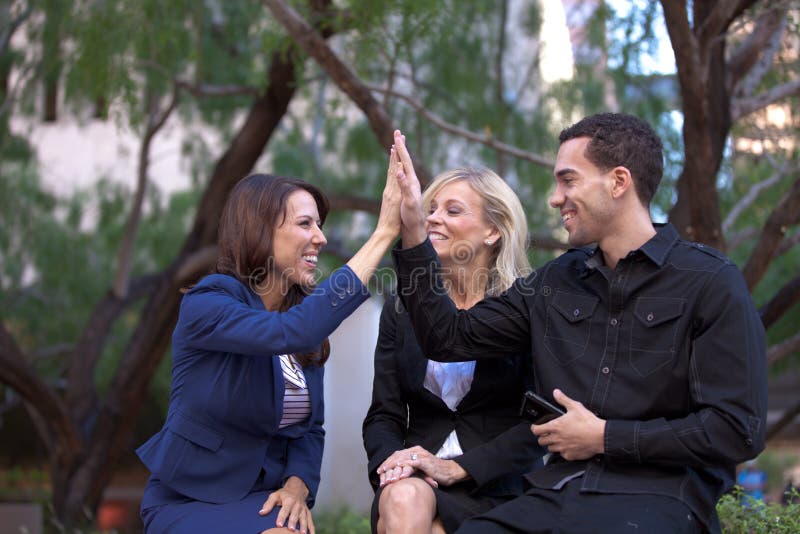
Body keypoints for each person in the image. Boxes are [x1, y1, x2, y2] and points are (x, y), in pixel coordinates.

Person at [389, 115, 768, 533]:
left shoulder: (710, 281)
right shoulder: (554, 282)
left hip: (660, 501)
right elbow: (447, 337)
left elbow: (737, 430)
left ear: (618, 182)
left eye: (568, 181)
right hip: (556, 495)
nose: (556, 198)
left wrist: (606, 437)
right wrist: (413, 230)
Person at [136, 148, 403, 534]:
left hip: (265, 499)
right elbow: (291, 332)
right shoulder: (208, 304)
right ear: (260, 229)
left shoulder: (301, 324)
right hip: (191, 499)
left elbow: (311, 430)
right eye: (305, 224)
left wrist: (297, 485)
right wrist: (384, 233)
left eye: (320, 225)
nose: (321, 238)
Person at [362, 167, 544, 534]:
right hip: (418, 479)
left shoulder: (527, 308)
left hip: (498, 484)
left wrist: (461, 467)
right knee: (401, 499)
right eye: (431, 210)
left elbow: (539, 425)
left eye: (453, 211)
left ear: (493, 231)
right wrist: (395, 465)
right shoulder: (401, 306)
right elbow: (384, 415)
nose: (433, 219)